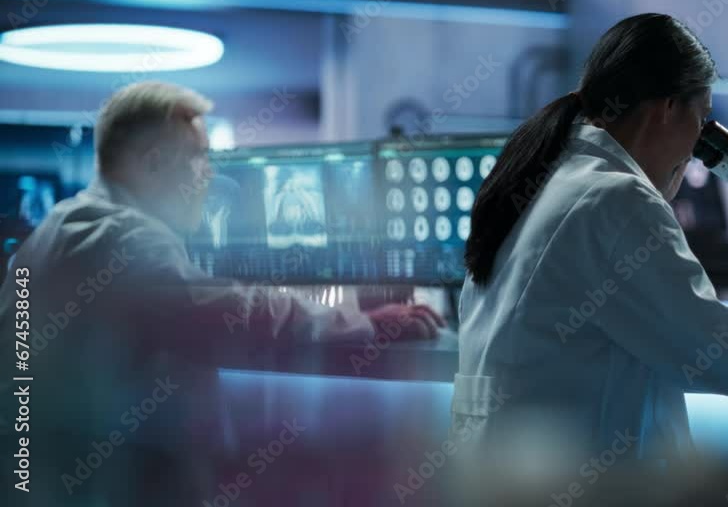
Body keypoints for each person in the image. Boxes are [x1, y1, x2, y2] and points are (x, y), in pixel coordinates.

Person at [452, 13, 728, 499]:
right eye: (700, 124)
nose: (697, 149)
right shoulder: (615, 200)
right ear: (667, 107)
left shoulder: (543, 178)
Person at [0, 81, 442, 505]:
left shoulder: (55, 228)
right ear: (153, 163)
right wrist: (367, 325)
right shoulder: (125, 239)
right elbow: (235, 315)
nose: (210, 173)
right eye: (198, 157)